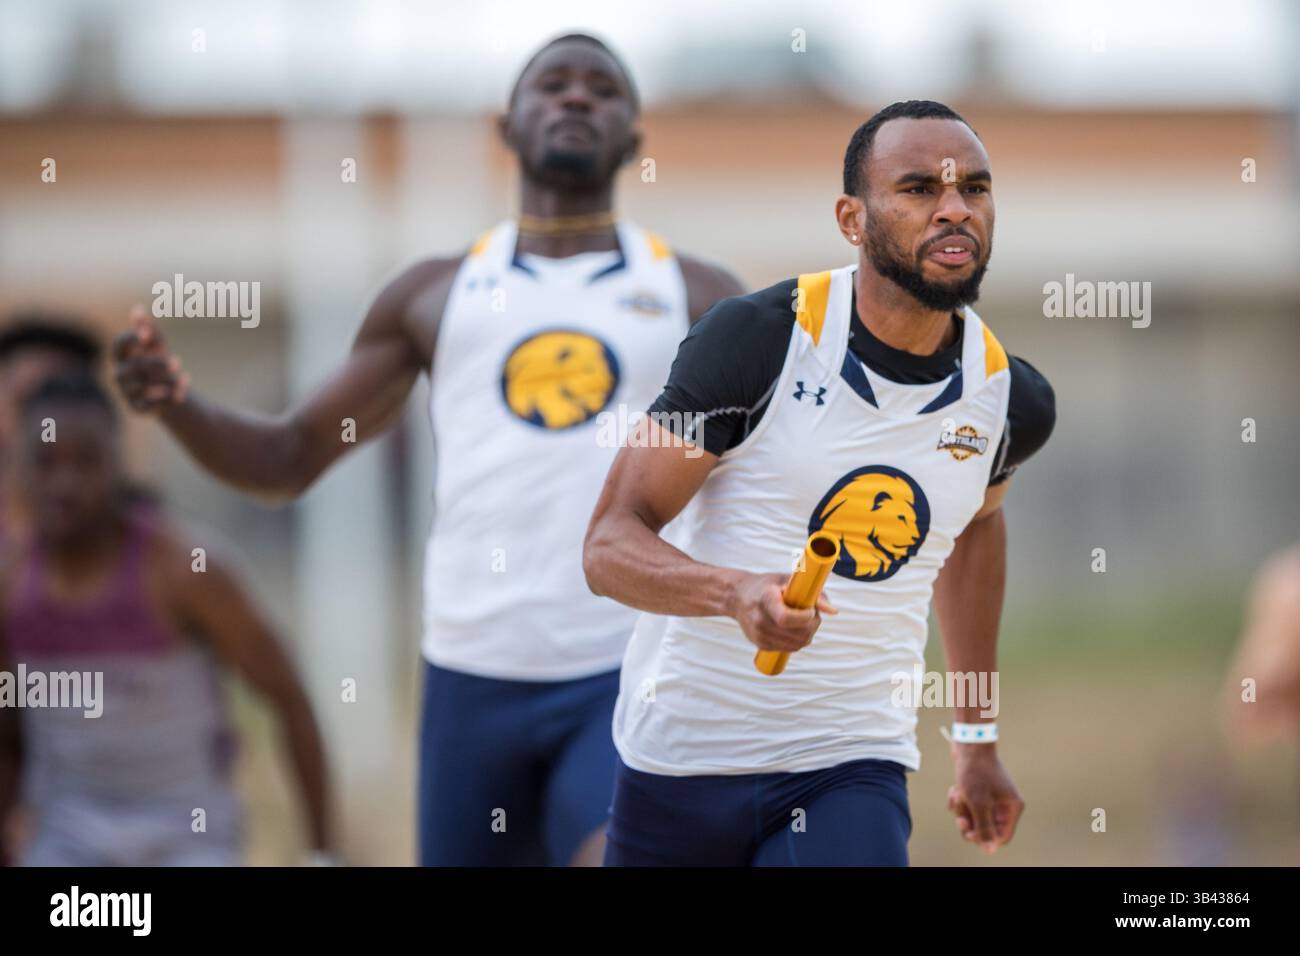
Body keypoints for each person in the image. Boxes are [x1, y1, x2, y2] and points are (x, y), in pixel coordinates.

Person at [112, 33, 744, 866]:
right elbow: (289, 459)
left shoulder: (699, 296)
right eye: (553, 84)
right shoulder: (433, 295)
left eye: (603, 88)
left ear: (632, 139)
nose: (578, 98)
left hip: (626, 669)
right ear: (508, 127)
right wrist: (178, 405)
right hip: (469, 680)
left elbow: (764, 476)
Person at [584, 100, 1056, 866]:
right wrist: (736, 595)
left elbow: (973, 530)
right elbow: (607, 545)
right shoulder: (757, 342)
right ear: (851, 217)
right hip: (680, 761)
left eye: (974, 188)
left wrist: (975, 739)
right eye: (917, 190)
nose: (953, 210)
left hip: (851, 761)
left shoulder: (1010, 399)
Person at [0, 374, 333, 865]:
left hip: (188, 839)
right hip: (66, 843)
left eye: (86, 461)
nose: (64, 484)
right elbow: (10, 736)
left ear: (119, 462)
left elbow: (290, 699)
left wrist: (324, 853)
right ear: (17, 469)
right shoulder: (11, 583)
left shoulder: (186, 570)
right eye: (46, 462)